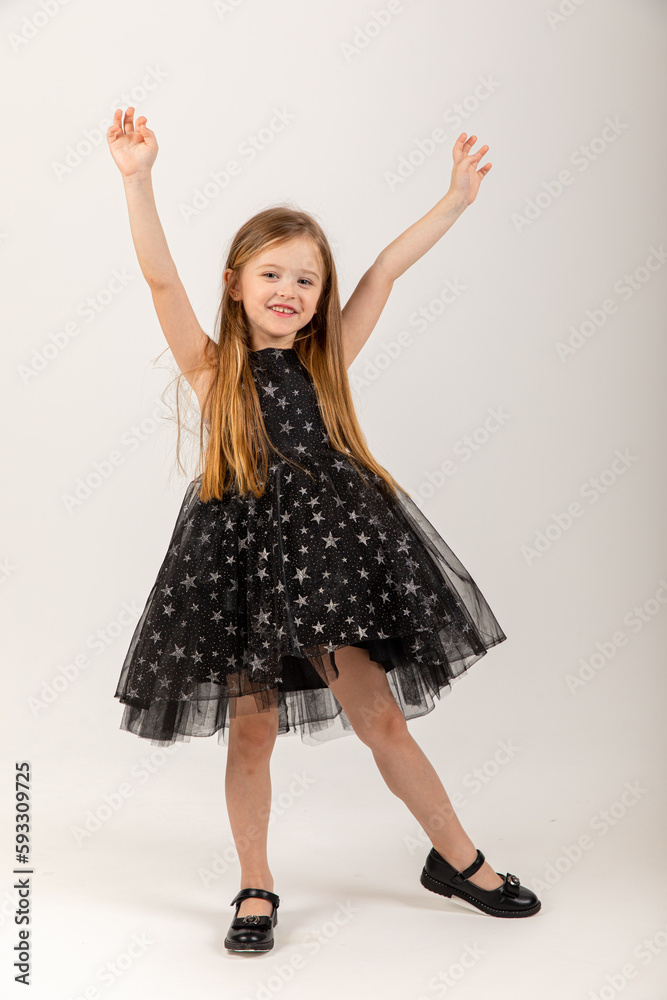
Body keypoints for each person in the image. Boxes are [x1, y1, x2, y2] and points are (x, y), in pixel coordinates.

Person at [106, 106, 541, 953]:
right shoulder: (213, 368)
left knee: (379, 715)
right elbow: (161, 281)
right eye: (271, 275)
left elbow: (380, 275)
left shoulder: (325, 359)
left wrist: (451, 201)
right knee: (253, 729)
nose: (288, 292)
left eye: (304, 280)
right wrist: (138, 180)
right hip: (239, 565)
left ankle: (457, 859)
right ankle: (255, 886)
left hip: (333, 558)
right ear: (235, 282)